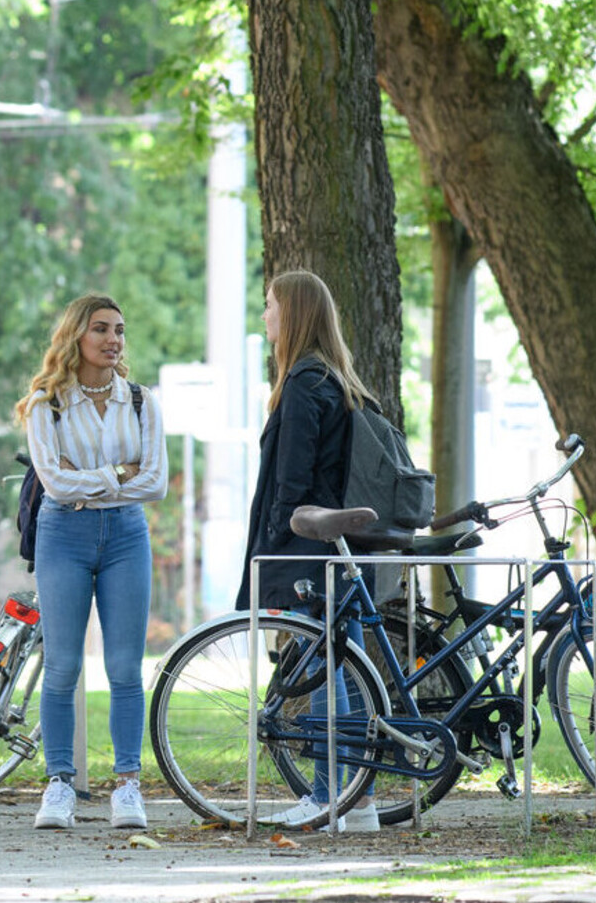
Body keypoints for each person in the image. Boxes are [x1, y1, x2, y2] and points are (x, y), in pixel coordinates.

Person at [15, 294, 166, 831]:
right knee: (62, 667)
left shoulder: (143, 402)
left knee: (125, 668)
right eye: (101, 329)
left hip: (127, 536)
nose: (113, 340)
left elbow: (156, 482)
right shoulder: (45, 403)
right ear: (75, 335)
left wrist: (96, 481)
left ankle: (128, 785)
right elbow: (54, 482)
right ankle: (59, 784)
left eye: (120, 330)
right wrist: (117, 475)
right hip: (64, 535)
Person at [234, 268, 378, 831]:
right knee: (353, 667)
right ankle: (359, 801)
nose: (265, 315)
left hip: (308, 545)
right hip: (342, 550)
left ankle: (326, 796)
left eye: (270, 305)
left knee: (325, 669)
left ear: (291, 313)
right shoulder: (335, 378)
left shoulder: (301, 383)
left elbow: (290, 485)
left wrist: (269, 545)